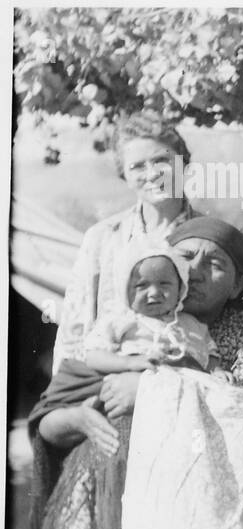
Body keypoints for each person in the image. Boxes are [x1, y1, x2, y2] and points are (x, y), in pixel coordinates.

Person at [30, 217, 243, 529]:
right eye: (187, 256)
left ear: (240, 282)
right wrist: (79, 417)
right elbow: (50, 421)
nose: (196, 270)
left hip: (198, 500)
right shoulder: (121, 326)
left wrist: (150, 389)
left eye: (216, 264)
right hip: (102, 489)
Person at [53, 111, 202, 373]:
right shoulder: (103, 238)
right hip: (107, 380)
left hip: (189, 378)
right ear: (124, 174)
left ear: (183, 163)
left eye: (161, 160)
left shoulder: (208, 237)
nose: (152, 174)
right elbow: (75, 329)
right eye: (137, 166)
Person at [82, 246, 229, 379]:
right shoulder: (120, 320)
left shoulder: (193, 325)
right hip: (132, 382)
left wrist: (216, 371)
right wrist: (128, 362)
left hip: (183, 388)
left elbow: (210, 354)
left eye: (164, 284)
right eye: (141, 285)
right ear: (125, 290)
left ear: (180, 288)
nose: (154, 293)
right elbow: (92, 355)